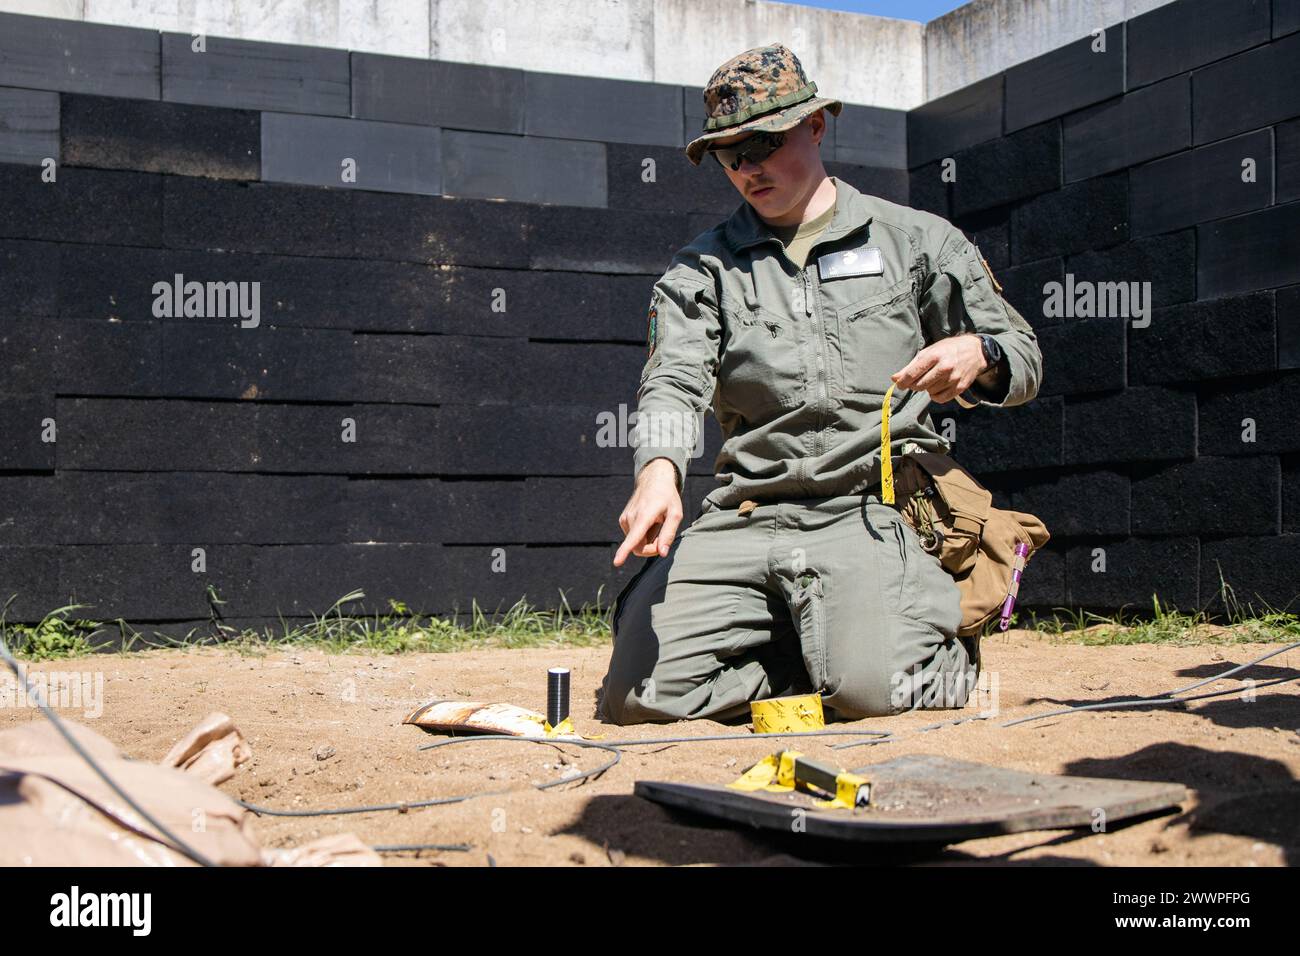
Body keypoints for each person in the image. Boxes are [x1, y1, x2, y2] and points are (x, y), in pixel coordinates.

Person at [598, 43, 1043, 725]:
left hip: (866, 507)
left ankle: (932, 649)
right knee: (637, 700)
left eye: (764, 143)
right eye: (729, 154)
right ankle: (806, 648)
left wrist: (977, 353)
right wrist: (657, 471)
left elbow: (1023, 358)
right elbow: (673, 379)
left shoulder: (917, 242)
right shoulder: (703, 271)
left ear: (815, 125)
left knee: (876, 694)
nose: (748, 168)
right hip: (746, 513)